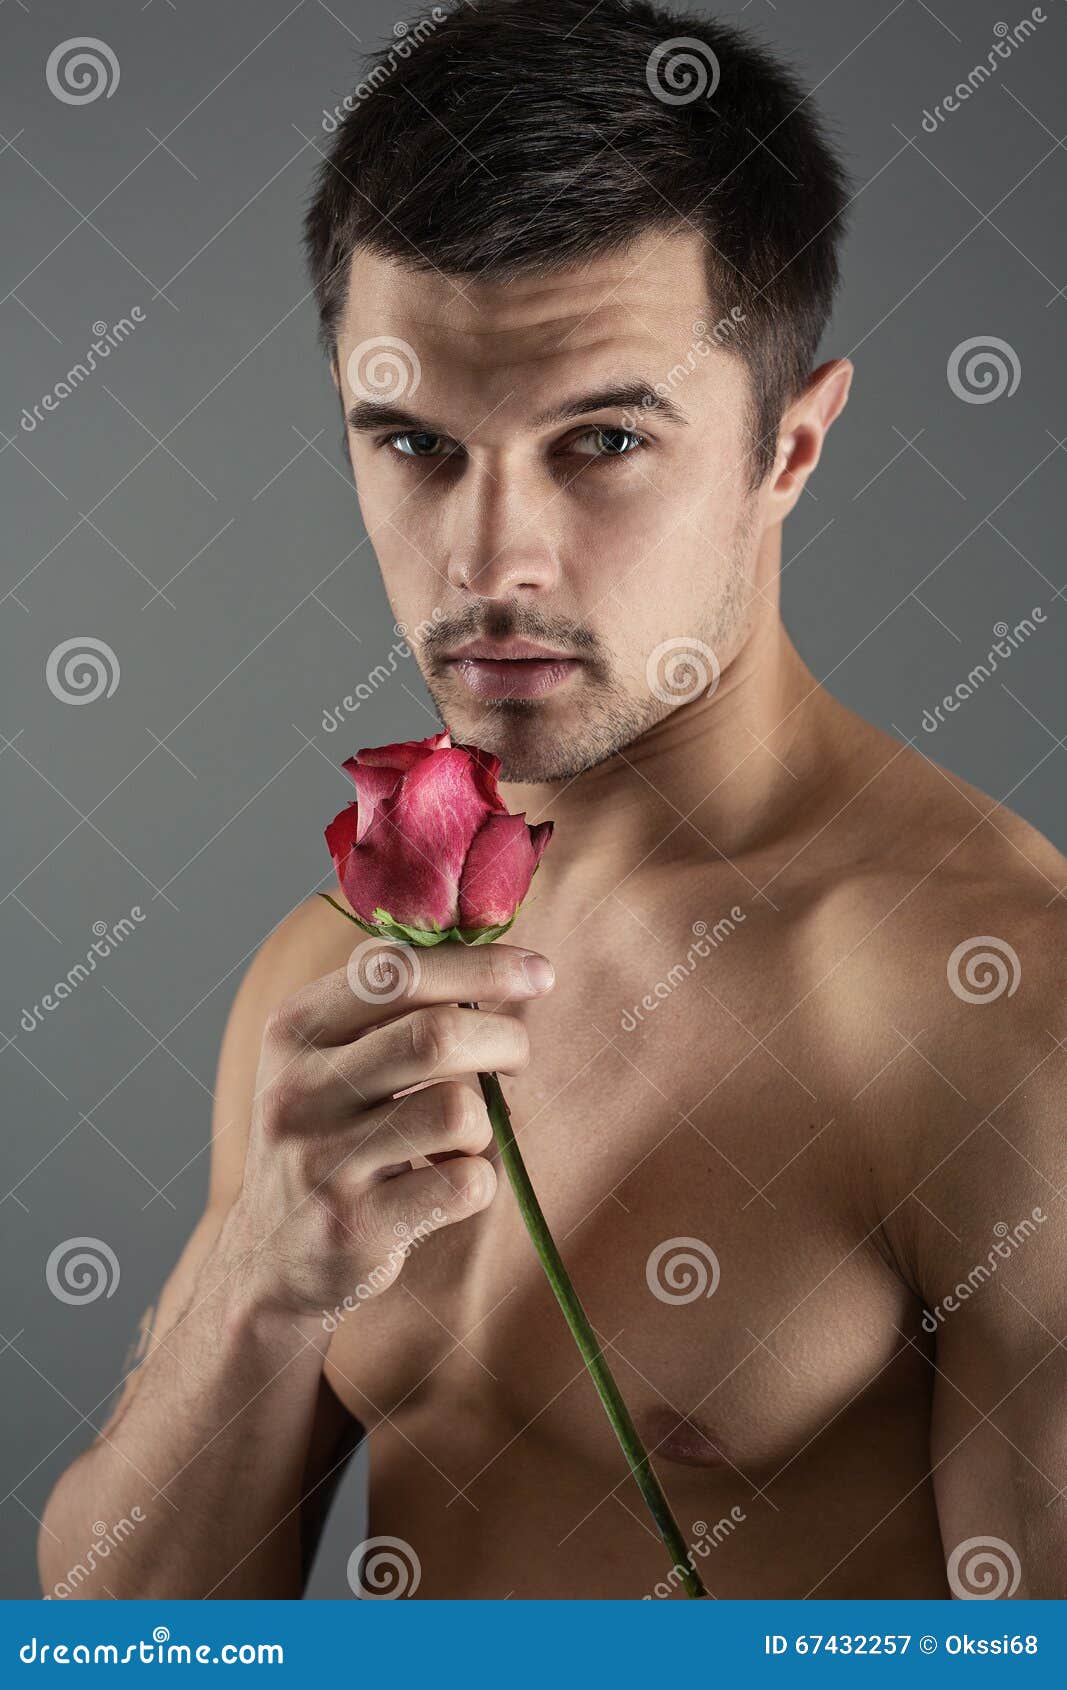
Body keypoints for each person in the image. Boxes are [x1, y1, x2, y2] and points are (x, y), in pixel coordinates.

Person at [40, 0, 1066, 1600]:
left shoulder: (996, 1007)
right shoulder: (346, 967)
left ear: (789, 448)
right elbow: (130, 1641)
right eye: (415, 444)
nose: (489, 560)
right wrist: (261, 1287)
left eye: (600, 440)